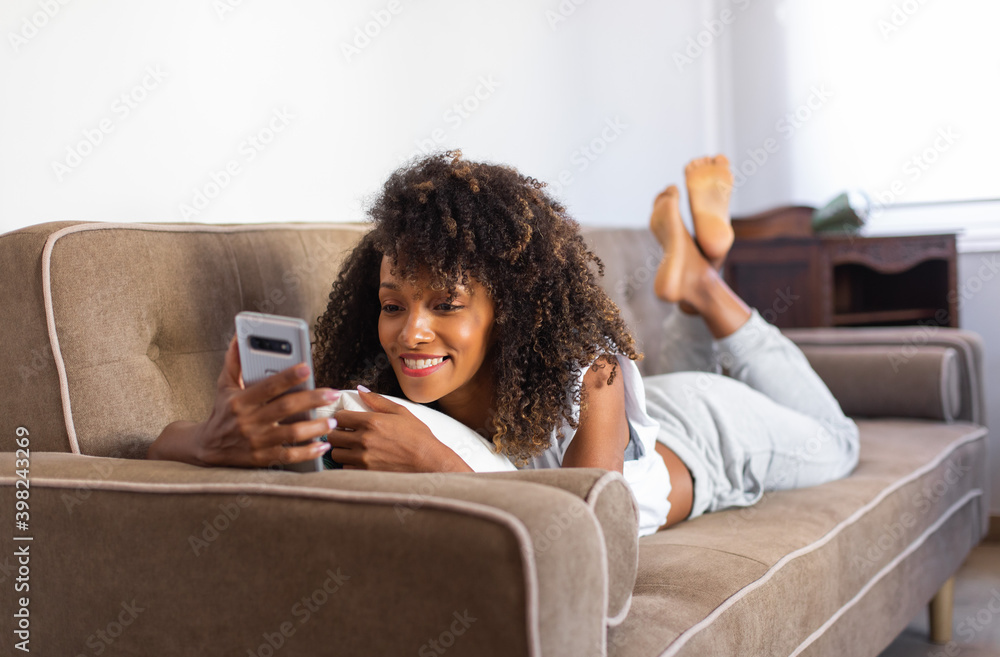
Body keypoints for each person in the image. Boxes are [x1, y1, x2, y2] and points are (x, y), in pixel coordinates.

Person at [147, 151, 859, 536]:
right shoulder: (380, 393)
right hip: (664, 416)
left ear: (508, 309)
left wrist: (439, 465)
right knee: (687, 375)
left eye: (446, 305)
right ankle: (695, 269)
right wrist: (211, 440)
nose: (410, 332)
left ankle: (704, 287)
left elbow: (594, 538)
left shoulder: (593, 375)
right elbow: (148, 446)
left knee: (839, 440)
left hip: (715, 441)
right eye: (393, 305)